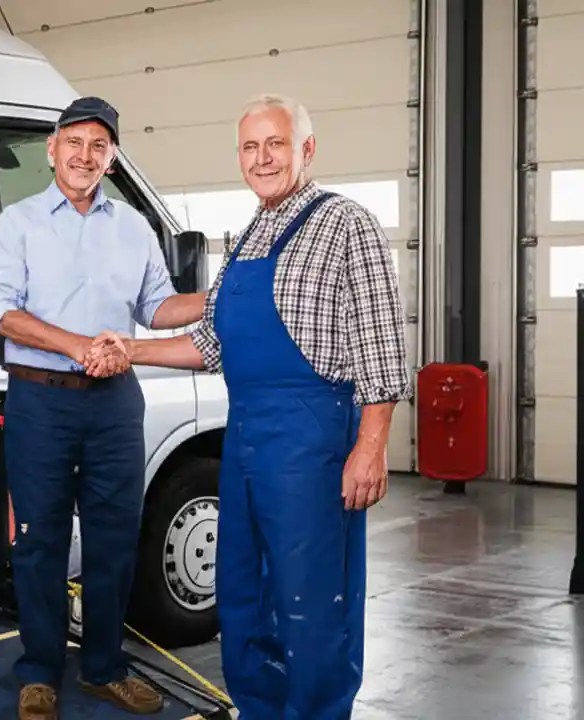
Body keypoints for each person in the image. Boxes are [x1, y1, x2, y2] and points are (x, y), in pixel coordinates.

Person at [99, 93, 412, 719]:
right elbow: (211, 342)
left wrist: (370, 448)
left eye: (276, 144)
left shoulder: (347, 224)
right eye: (250, 146)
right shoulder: (245, 239)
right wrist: (129, 348)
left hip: (312, 442)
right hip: (244, 440)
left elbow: (383, 348)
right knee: (242, 596)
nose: (262, 158)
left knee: (311, 602)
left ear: (306, 150)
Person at [0, 96, 205, 719]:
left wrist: (218, 297)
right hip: (40, 401)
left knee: (114, 541)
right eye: (74, 143)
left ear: (111, 157)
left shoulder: (132, 226)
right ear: (52, 150)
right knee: (40, 542)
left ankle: (104, 666)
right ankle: (40, 672)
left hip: (113, 405)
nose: (85, 156)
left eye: (98, 146)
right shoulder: (18, 223)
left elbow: (157, 306)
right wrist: (75, 344)